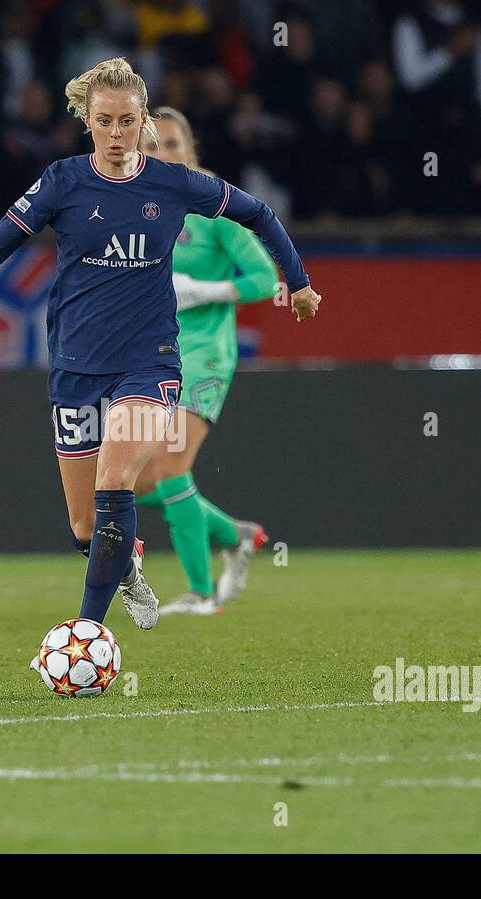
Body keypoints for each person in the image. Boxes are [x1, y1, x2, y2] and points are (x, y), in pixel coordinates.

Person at [0, 58, 320, 641]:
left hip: (149, 362)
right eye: (104, 121)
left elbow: (259, 213)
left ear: (143, 121)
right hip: (74, 364)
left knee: (116, 477)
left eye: (126, 121)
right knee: (84, 523)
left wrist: (296, 281)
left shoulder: (171, 183)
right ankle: (126, 565)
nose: (116, 134)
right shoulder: (63, 182)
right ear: (86, 122)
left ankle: (87, 631)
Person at [134, 107, 277, 615]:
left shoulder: (216, 207)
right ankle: (235, 534)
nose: (163, 155)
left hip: (204, 355)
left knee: (171, 465)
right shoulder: (135, 208)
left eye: (172, 145)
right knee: (140, 481)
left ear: (190, 149)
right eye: (152, 147)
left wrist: (203, 289)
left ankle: (200, 593)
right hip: (151, 354)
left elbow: (266, 278)